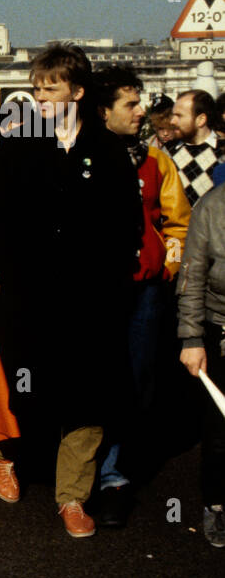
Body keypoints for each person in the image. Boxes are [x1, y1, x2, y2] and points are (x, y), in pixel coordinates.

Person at [0, 43, 143, 537]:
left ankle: (73, 495)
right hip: (30, 294)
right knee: (23, 382)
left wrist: (111, 281)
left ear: (76, 90)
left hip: (92, 298)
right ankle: (5, 453)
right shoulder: (18, 143)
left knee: (88, 395)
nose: (40, 98)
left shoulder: (109, 148)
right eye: (35, 89)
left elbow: (127, 224)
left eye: (49, 89)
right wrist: (10, 268)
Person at [90, 66, 190, 527]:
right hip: (94, 288)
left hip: (144, 289)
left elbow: (178, 222)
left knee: (137, 377)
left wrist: (167, 263)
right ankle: (81, 471)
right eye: (130, 104)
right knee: (94, 376)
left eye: (140, 101)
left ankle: (115, 473)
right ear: (103, 111)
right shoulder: (80, 159)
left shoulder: (156, 160)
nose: (141, 111)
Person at [177, 182, 225, 546]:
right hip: (219, 328)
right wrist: (192, 339)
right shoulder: (212, 206)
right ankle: (217, 504)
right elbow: (192, 276)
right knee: (220, 431)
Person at [166, 89, 225, 207]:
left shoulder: (222, 151)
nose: (172, 121)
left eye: (179, 116)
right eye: (173, 115)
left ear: (201, 120)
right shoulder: (166, 152)